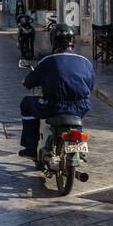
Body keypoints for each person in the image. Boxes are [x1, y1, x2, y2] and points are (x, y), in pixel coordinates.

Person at [19, 24, 93, 158]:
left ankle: (30, 148)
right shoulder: (85, 62)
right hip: (81, 106)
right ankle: (79, 148)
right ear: (73, 41)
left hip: (54, 105)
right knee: (75, 118)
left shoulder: (48, 60)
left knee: (26, 104)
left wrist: (25, 82)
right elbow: (90, 86)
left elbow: (30, 82)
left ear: (53, 41)